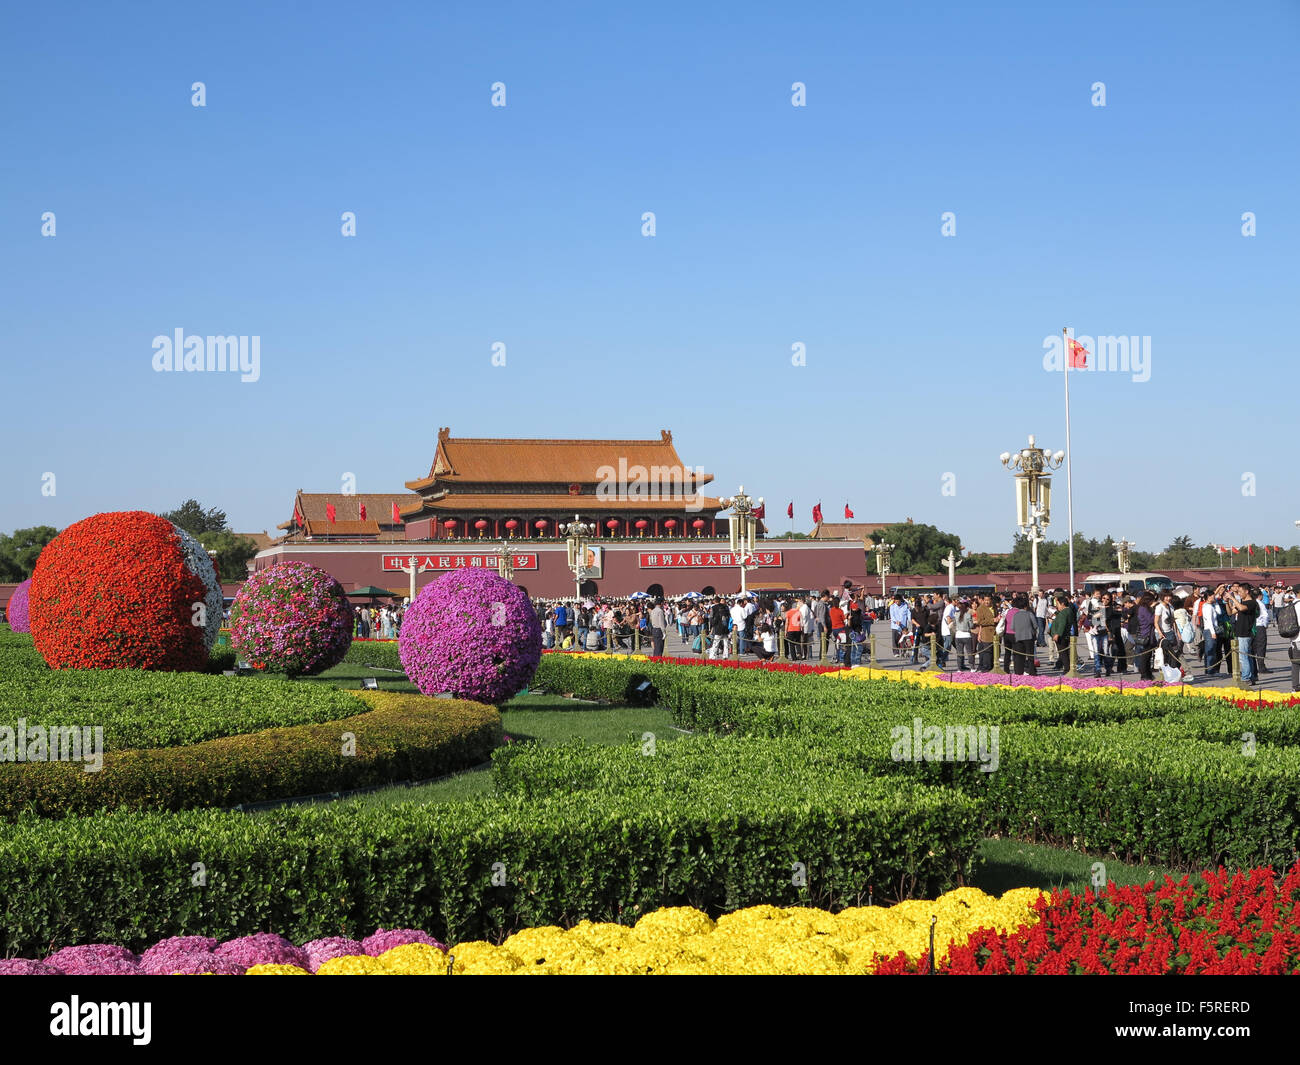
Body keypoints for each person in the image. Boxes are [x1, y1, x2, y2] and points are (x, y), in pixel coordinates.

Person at [1010, 592, 1037, 675]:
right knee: (1030, 656)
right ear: (1025, 606)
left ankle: (1018, 672)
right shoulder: (1029, 614)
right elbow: (1035, 625)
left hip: (1018, 637)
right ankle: (1032, 671)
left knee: (1019, 656)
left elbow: (1012, 627)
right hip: (1028, 637)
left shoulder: (1015, 615)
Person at [974, 594, 996, 672]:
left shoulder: (994, 607)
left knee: (994, 651)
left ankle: (993, 667)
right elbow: (980, 621)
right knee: (987, 652)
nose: (987, 602)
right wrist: (992, 620)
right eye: (985, 600)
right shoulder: (980, 609)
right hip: (986, 633)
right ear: (983, 600)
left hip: (995, 633)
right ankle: (986, 668)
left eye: (988, 600)